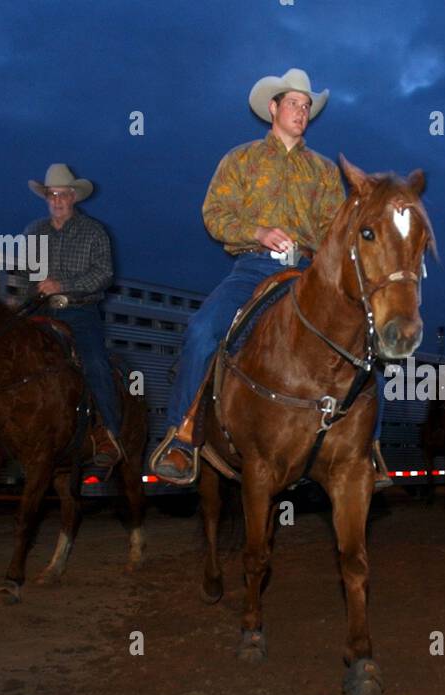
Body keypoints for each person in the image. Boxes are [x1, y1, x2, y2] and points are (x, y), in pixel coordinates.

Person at [151, 68, 391, 487]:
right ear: (273, 109)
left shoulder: (321, 171)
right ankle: (182, 434)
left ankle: (368, 448)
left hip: (309, 272)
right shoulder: (240, 159)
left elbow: (334, 230)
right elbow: (215, 215)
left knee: (368, 343)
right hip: (254, 268)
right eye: (294, 104)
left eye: (307, 106)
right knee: (203, 331)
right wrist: (258, 231)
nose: (302, 111)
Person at [24, 163, 122, 468]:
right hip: (42, 312)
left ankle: (108, 432)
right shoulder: (33, 232)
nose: (56, 200)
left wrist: (62, 285)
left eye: (62, 195)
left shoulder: (94, 232)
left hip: (80, 311)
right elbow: (29, 275)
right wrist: (32, 291)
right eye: (51, 194)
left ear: (73, 197)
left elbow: (103, 275)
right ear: (46, 197)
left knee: (95, 364)